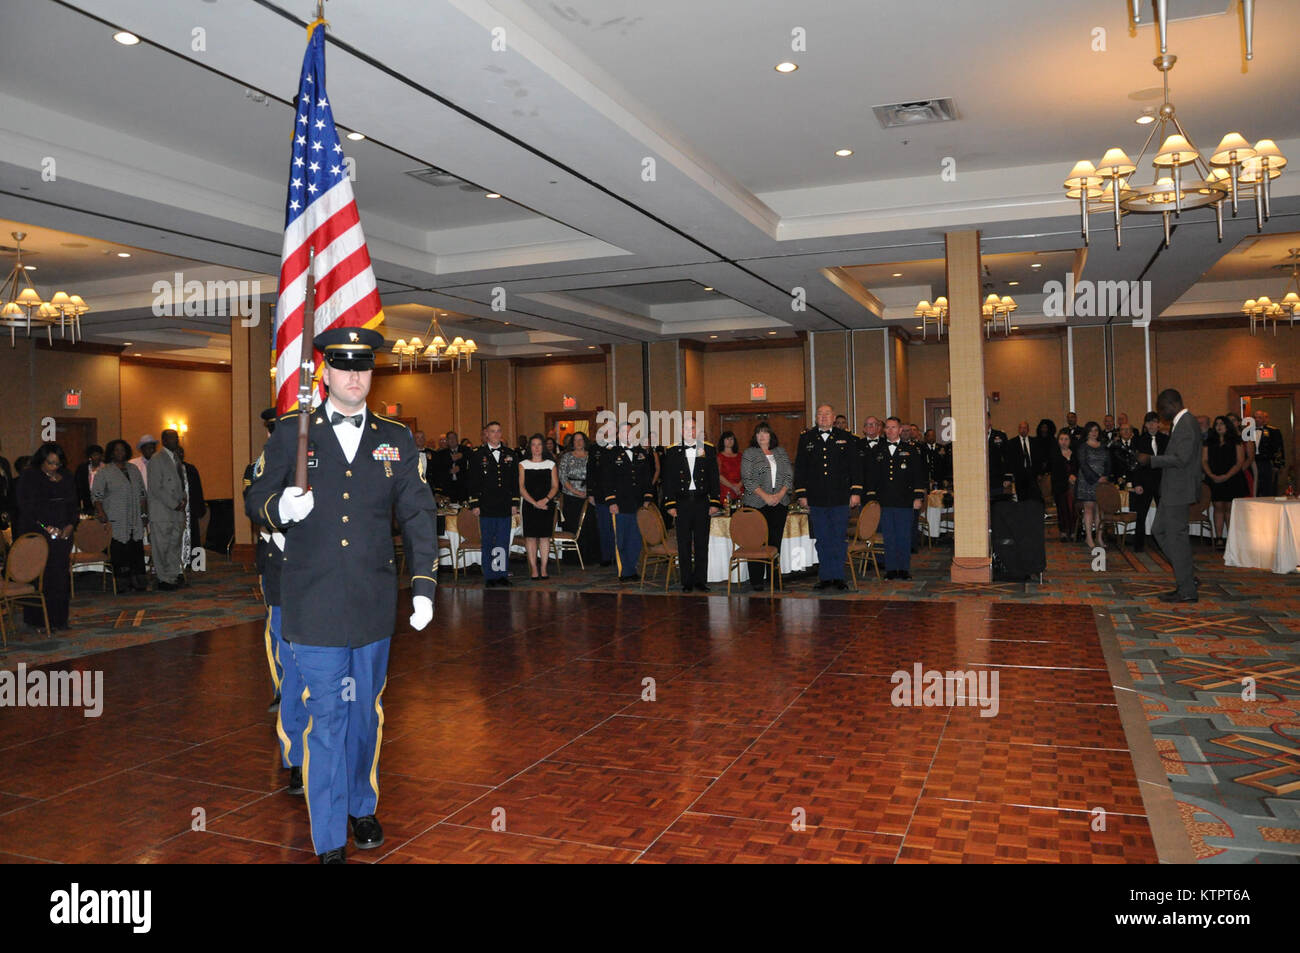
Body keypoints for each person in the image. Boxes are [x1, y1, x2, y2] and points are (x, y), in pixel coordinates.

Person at [244, 326, 436, 864]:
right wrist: (280, 507)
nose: (355, 376)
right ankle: (328, 838)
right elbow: (254, 496)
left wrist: (423, 585)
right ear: (324, 372)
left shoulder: (395, 438)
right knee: (325, 717)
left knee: (364, 715)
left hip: (373, 603)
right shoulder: (291, 432)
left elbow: (419, 514)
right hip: (313, 603)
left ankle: (361, 803)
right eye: (344, 367)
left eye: (364, 367)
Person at [1137, 389, 1201, 603]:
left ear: (1172, 404)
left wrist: (1151, 460)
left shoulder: (1187, 423)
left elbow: (1181, 459)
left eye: (1162, 408)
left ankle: (1187, 589)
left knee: (1177, 538)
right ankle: (1187, 576)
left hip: (1179, 491)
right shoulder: (1180, 423)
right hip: (1172, 490)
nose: (1161, 414)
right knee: (1158, 530)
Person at [794, 404, 862, 591]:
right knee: (822, 539)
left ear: (833, 418)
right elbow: (800, 467)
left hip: (840, 497)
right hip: (817, 498)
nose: (823, 417)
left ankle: (838, 576)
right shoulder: (806, 438)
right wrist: (801, 493)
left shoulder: (845, 437)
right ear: (816, 418)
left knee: (838, 538)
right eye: (820, 414)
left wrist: (855, 492)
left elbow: (855, 466)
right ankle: (825, 576)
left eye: (827, 414)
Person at [15, 443, 79, 631]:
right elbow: (26, 507)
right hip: (37, 534)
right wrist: (46, 527)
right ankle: (37, 620)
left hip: (63, 534)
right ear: (41, 461)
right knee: (39, 576)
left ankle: (59, 619)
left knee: (59, 576)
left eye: (57, 464)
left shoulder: (66, 476)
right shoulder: (29, 476)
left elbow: (73, 503)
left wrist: (70, 525)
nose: (54, 467)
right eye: (50, 463)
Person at [662, 416, 720, 593]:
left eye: (693, 428)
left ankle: (700, 580)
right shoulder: (671, 451)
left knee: (702, 543)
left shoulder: (708, 449)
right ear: (681, 431)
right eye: (687, 428)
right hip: (681, 502)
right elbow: (668, 479)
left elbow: (714, 477)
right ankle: (686, 581)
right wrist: (670, 504)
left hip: (702, 501)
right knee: (684, 543)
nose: (690, 431)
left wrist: (715, 501)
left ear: (697, 430)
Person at [864, 417, 926, 580]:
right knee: (889, 536)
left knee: (904, 536)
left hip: (905, 500)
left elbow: (918, 475)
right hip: (884, 501)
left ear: (900, 430)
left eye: (894, 427)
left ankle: (903, 568)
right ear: (883, 430)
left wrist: (918, 496)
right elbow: (871, 476)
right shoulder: (877, 450)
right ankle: (891, 569)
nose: (891, 430)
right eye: (888, 428)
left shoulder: (910, 450)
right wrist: (872, 498)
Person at [740, 423, 792, 592]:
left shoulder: (781, 452)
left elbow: (788, 476)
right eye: (758, 433)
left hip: (779, 503)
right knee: (756, 542)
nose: (762, 436)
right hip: (756, 503)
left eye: (765, 433)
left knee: (774, 542)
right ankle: (756, 580)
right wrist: (766, 496)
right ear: (755, 436)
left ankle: (773, 578)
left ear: (771, 435)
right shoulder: (750, 453)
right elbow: (747, 479)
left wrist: (779, 494)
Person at [92, 439, 149, 592]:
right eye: (116, 450)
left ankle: (138, 580)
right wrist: (101, 512)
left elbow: (143, 493)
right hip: (116, 517)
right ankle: (122, 582)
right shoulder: (104, 472)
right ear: (111, 452)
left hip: (135, 517)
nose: (120, 453)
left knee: (136, 548)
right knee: (119, 550)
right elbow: (97, 495)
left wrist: (144, 513)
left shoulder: (134, 469)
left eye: (122, 450)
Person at [467, 421, 520, 587]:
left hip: (504, 504)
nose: (496, 434)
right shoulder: (477, 454)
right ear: (486, 434)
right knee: (488, 541)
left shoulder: (510, 454)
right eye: (492, 431)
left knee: (503, 541)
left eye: (498, 431)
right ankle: (490, 576)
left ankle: (502, 574)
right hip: (486, 505)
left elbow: (514, 481)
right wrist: (475, 504)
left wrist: (514, 503)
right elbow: (472, 481)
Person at [601, 422, 655, 581]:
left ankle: (632, 568)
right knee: (622, 538)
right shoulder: (610, 453)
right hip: (620, 502)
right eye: (624, 431)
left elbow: (647, 477)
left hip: (637, 502)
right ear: (618, 435)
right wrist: (611, 501)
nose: (627, 434)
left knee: (635, 538)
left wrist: (647, 498)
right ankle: (624, 570)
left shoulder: (641, 453)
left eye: (630, 431)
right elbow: (606, 480)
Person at [146, 429, 187, 590]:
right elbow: (157, 487)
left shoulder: (176, 458)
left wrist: (183, 499)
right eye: (171, 438)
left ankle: (172, 576)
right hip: (162, 511)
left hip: (177, 511)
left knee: (174, 545)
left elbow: (180, 483)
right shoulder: (157, 459)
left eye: (176, 438)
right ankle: (163, 579)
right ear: (163, 440)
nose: (175, 441)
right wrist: (174, 503)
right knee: (161, 546)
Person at [1202, 415, 1248, 544]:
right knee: (1218, 507)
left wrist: (1226, 476)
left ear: (1228, 426)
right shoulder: (1209, 442)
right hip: (1214, 478)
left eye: (1222, 423)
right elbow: (1204, 461)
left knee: (1229, 508)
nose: (1219, 426)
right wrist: (1211, 475)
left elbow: (1240, 462)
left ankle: (1231, 539)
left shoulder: (1236, 441)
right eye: (1217, 424)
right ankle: (1219, 538)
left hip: (1232, 478)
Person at [519, 434, 558, 579]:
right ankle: (534, 569)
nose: (536, 448)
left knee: (544, 538)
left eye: (539, 445)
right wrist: (535, 503)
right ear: (530, 447)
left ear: (543, 447)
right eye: (533, 445)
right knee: (530, 537)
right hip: (529, 505)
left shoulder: (551, 464)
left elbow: (555, 486)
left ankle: (544, 568)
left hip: (547, 504)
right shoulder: (523, 464)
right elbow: (521, 488)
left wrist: (545, 500)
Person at [1129, 412, 1168, 552]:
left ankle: (1164, 543)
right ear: (1145, 425)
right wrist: (1137, 484)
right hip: (1144, 482)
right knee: (1141, 514)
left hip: (1162, 482)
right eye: (1149, 422)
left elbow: (1169, 461)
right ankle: (1139, 545)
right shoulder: (1138, 440)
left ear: (1159, 424)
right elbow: (1135, 465)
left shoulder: (1165, 439)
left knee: (1163, 514)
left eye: (1154, 422)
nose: (1151, 425)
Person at [1074, 421, 1111, 549]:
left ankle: (1099, 537)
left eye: (1096, 430)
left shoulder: (1104, 446)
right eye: (1091, 430)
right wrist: (1096, 478)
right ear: (1087, 432)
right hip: (1087, 481)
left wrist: (1105, 476)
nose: (1094, 433)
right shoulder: (1082, 447)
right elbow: (1083, 465)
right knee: (1089, 509)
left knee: (1100, 510)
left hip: (1102, 482)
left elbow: (1108, 463)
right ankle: (1089, 537)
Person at [178, 445, 206, 569]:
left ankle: (196, 564)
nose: (180, 455)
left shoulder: (190, 469)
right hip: (176, 511)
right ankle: (180, 564)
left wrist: (199, 508)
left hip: (191, 510)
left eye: (181, 453)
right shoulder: (169, 470)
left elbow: (197, 489)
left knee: (194, 536)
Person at [1049, 430, 1078, 541]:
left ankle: (1073, 531)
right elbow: (1055, 472)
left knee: (1073, 509)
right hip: (1060, 486)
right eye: (1061, 439)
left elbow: (1079, 469)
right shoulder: (1055, 454)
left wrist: (1074, 476)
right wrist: (1067, 477)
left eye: (1066, 439)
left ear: (1070, 441)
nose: (1063, 442)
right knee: (1062, 509)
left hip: (1074, 486)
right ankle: (1063, 532)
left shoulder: (1074, 454)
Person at [1004, 420, 1041, 502]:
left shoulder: (1034, 441)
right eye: (1021, 428)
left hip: (1032, 473)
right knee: (1021, 497)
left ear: (1028, 429)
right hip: (1019, 474)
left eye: (1025, 428)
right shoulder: (1012, 443)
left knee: (1034, 497)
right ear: (1018, 429)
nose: (1023, 430)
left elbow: (1038, 459)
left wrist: (1039, 472)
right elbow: (1009, 461)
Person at [433, 430, 468, 504]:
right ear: (447, 441)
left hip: (463, 486)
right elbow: (438, 471)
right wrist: (449, 471)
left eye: (454, 438)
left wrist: (460, 466)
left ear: (457, 439)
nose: (452, 440)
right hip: (448, 487)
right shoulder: (441, 454)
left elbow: (471, 461)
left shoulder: (465, 450)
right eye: (450, 438)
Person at [1255, 410, 1285, 496]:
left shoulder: (1273, 431)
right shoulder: (1248, 432)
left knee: (1269, 488)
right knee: (1255, 488)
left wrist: (1277, 465)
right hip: (1253, 463)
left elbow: (1278, 448)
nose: (1257, 419)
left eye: (1259, 417)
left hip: (1267, 463)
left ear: (1264, 419)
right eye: (1255, 417)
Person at [716, 431, 743, 507]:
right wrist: (732, 487)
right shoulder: (719, 457)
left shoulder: (741, 456)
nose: (730, 441)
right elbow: (718, 475)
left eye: (732, 439)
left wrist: (739, 485)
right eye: (727, 439)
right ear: (723, 441)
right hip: (725, 491)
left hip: (739, 490)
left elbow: (746, 473)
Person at [74, 444, 103, 516]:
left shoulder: (106, 468)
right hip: (87, 503)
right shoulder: (82, 468)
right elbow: (77, 487)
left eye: (98, 455)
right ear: (90, 456)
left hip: (103, 502)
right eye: (94, 455)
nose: (96, 457)